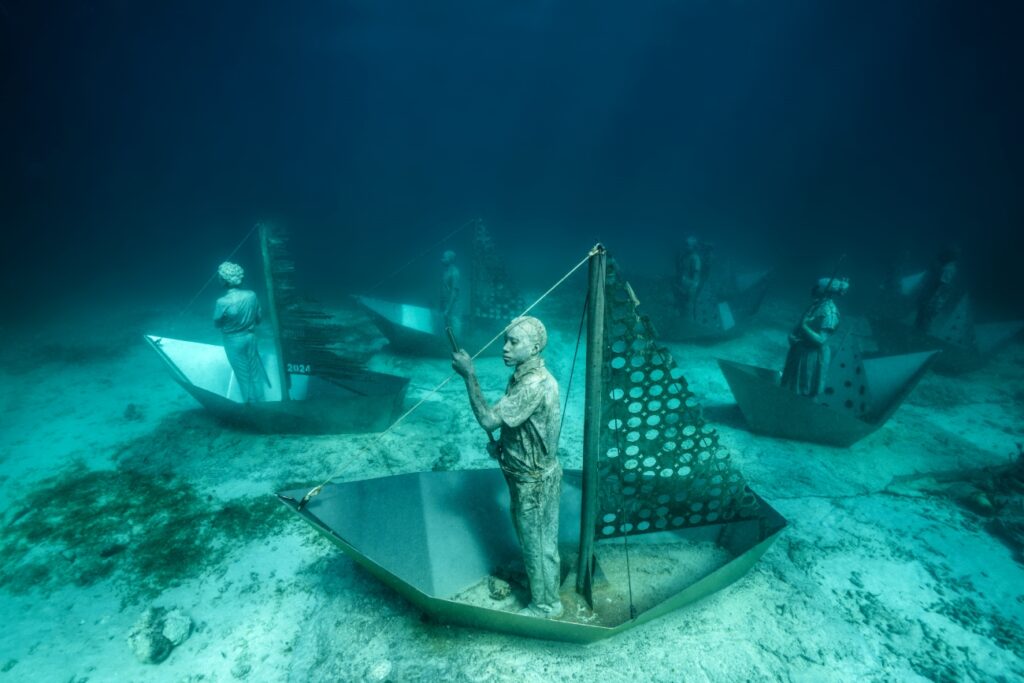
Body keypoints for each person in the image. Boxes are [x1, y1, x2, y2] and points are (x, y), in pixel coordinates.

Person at [451, 316, 563, 618]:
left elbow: (489, 419)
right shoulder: (521, 377)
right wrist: (504, 443)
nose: (505, 348)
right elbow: (526, 426)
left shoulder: (534, 384)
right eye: (505, 340)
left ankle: (546, 605)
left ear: (535, 346)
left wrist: (469, 375)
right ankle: (539, 584)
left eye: (514, 342)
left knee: (539, 544)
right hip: (524, 475)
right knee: (533, 541)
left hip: (533, 481)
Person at [780, 277, 849, 397]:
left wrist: (804, 326)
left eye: (817, 286)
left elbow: (821, 340)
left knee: (804, 390)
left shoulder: (830, 313)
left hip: (812, 356)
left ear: (824, 291)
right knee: (790, 385)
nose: (814, 288)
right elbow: (800, 323)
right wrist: (791, 335)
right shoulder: (816, 305)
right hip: (800, 351)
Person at [214, 261, 267, 403]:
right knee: (255, 373)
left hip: (233, 341)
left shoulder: (222, 302)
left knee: (243, 376)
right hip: (251, 337)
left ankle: (250, 409)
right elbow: (259, 318)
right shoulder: (252, 295)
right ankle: (263, 404)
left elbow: (217, 323)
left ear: (224, 280)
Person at [915, 245, 960, 333]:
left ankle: (921, 334)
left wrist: (932, 299)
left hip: (934, 298)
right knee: (923, 315)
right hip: (932, 296)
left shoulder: (949, 268)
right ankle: (918, 332)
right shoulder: (946, 267)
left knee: (926, 317)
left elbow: (943, 286)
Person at [674, 237, 702, 320]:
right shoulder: (686, 255)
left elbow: (696, 275)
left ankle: (687, 319)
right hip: (684, 281)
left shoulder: (695, 258)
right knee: (682, 299)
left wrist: (690, 288)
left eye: (688, 245)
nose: (686, 247)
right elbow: (682, 268)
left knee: (688, 302)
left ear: (693, 247)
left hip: (690, 284)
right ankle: (682, 314)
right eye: (685, 244)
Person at [440, 249, 464, 336]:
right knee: (446, 324)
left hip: (454, 304)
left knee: (455, 324)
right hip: (446, 302)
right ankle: (446, 342)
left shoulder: (454, 273)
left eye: (444, 258)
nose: (442, 259)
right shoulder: (446, 271)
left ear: (450, 259)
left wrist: (448, 308)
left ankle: (457, 344)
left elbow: (454, 292)